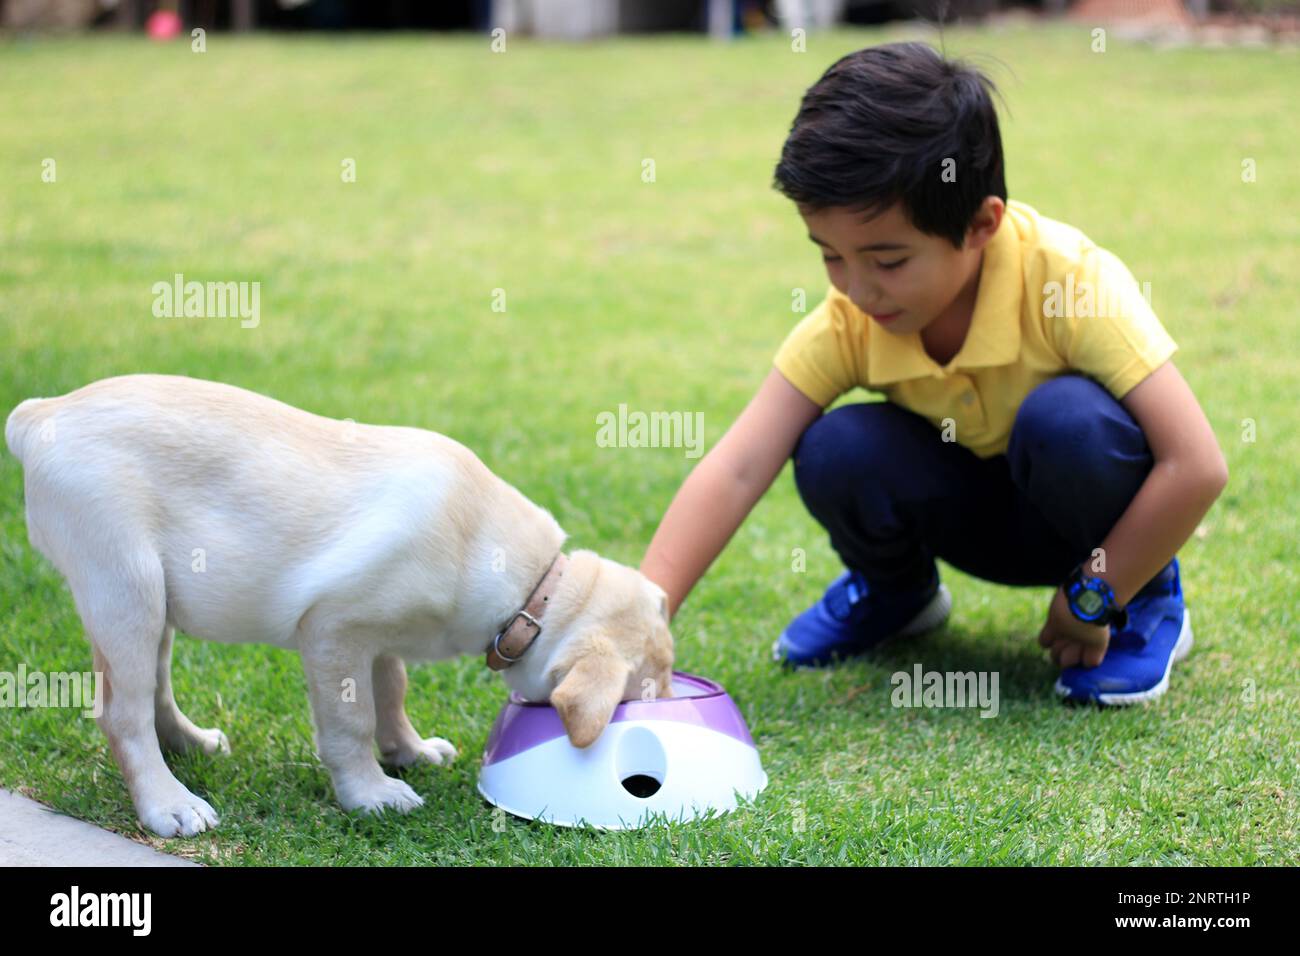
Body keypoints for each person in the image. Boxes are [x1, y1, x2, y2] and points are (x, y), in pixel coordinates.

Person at [639, 41, 1228, 704]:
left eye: (887, 261)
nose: (858, 288)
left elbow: (1198, 464)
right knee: (835, 446)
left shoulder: (1070, 283)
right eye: (830, 255)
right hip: (972, 521)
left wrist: (1095, 590)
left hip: (1093, 538)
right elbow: (740, 464)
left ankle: (1143, 602)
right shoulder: (850, 318)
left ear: (981, 224)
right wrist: (641, 615)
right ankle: (899, 594)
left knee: (1067, 422)